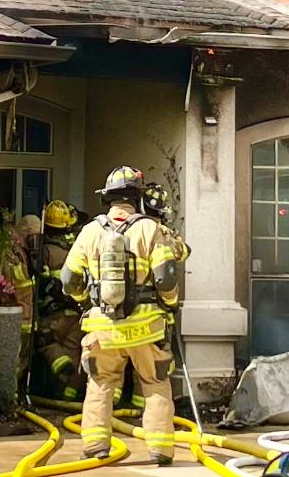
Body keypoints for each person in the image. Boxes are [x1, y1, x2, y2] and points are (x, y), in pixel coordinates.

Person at [60, 166, 184, 466]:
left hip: (102, 326)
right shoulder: (150, 229)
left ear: (109, 199)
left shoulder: (89, 231)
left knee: (100, 383)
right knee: (154, 384)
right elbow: (165, 278)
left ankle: (95, 446)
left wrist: (86, 304)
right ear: (137, 198)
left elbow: (69, 281)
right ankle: (160, 450)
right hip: (145, 328)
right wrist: (170, 303)